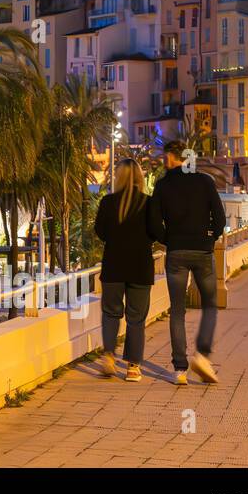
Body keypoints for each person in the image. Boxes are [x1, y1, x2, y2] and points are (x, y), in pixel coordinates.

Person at [150, 139, 226, 385]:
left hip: (177, 253)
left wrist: (168, 240)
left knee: (178, 310)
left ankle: (180, 369)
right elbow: (220, 217)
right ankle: (202, 356)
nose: (164, 161)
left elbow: (154, 223)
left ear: (173, 158)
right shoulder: (205, 181)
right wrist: (210, 237)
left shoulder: (162, 186)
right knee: (210, 305)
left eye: (166, 157)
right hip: (203, 253)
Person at [93, 158, 159, 382]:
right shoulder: (148, 203)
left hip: (113, 265)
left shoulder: (108, 202)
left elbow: (100, 231)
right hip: (140, 266)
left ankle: (109, 356)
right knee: (136, 318)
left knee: (111, 313)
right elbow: (156, 233)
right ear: (140, 178)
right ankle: (132, 367)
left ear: (118, 177)